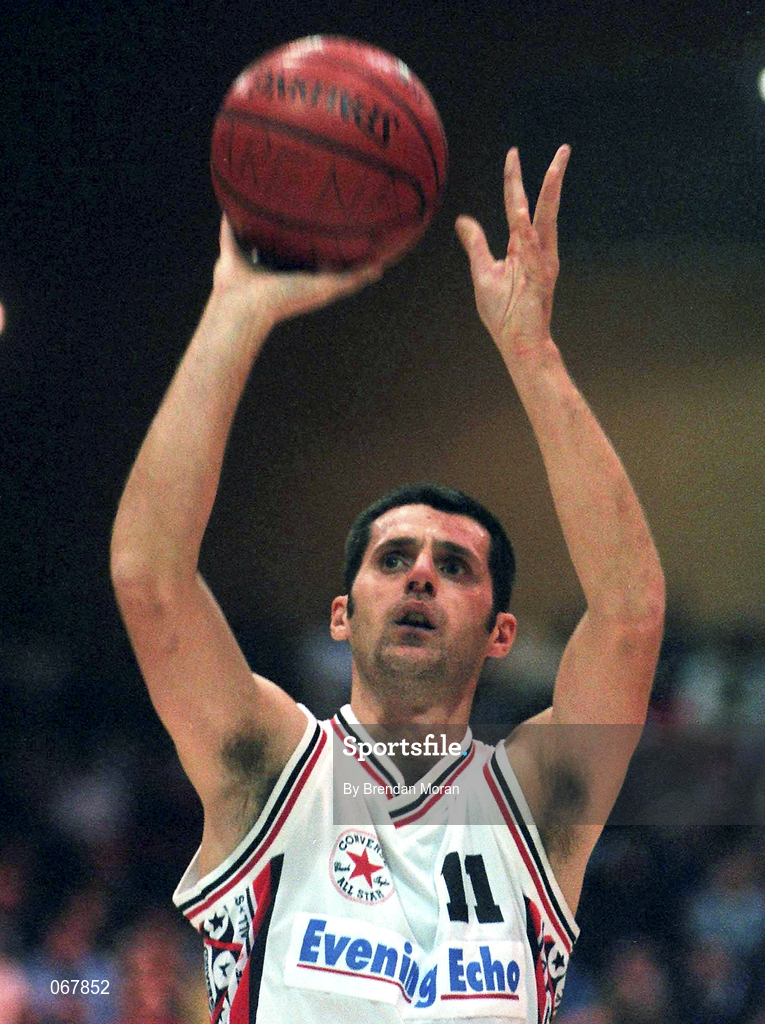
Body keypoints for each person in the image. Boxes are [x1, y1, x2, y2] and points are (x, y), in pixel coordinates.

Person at [110, 145, 665, 1023]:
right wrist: (235, 312)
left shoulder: (537, 804)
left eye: (453, 567)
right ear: (341, 613)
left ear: (499, 632)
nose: (418, 576)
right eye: (391, 558)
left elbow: (630, 617)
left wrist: (531, 352)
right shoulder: (268, 767)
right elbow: (149, 578)